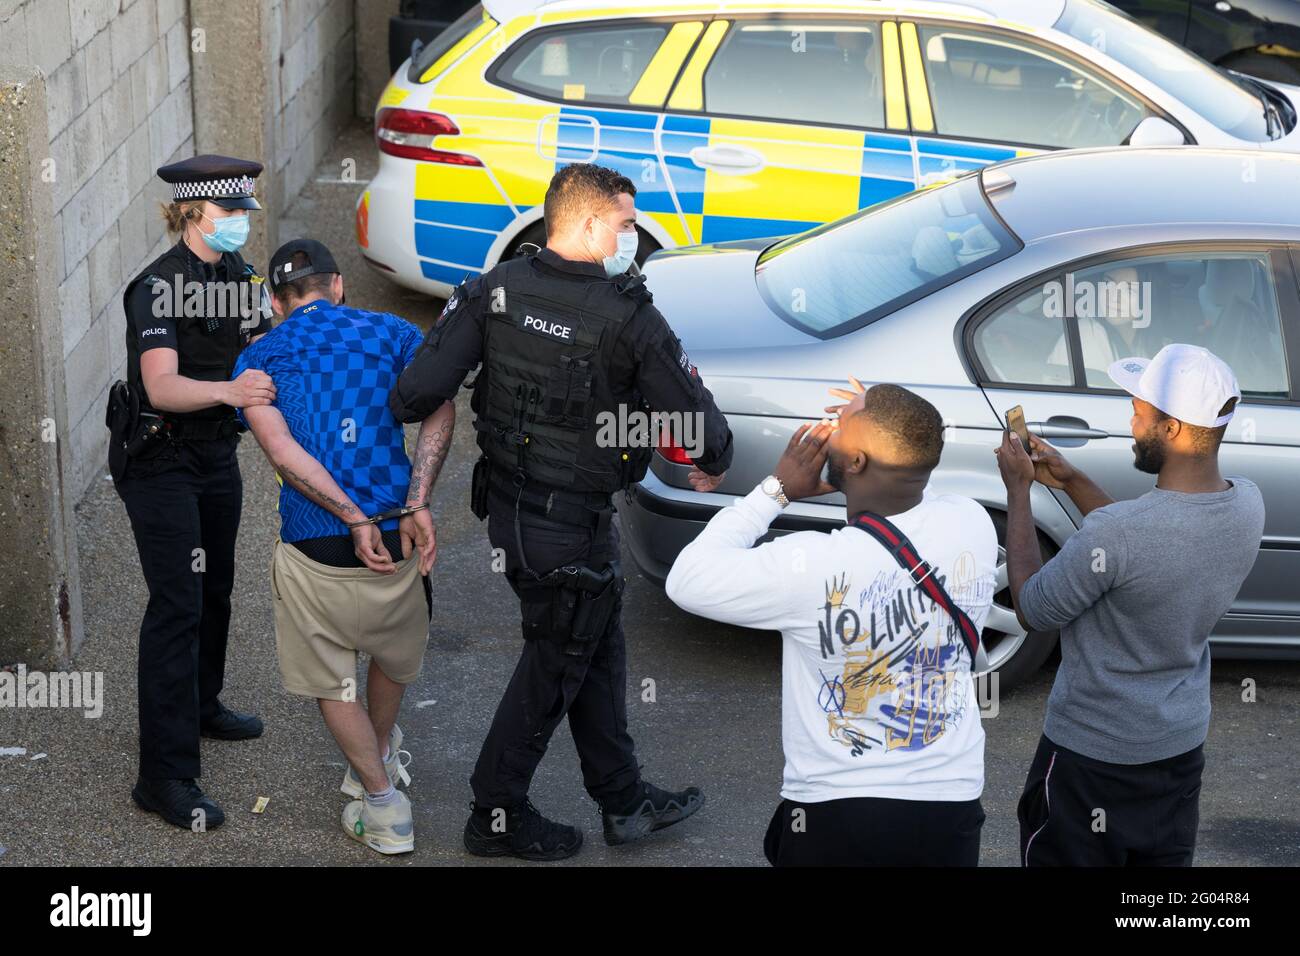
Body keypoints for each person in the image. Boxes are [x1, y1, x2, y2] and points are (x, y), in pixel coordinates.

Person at [389, 162, 734, 861]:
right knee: (556, 663)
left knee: (594, 648)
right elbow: (709, 440)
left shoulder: (492, 291)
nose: (632, 236)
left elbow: (414, 395)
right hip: (568, 526)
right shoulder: (630, 317)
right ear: (583, 223)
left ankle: (624, 799)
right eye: (624, 223)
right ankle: (495, 811)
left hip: (512, 514)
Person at [667, 383, 997, 866]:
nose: (827, 429)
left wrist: (775, 490)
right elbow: (911, 452)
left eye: (838, 427)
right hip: (950, 808)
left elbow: (686, 579)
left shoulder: (811, 565)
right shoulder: (972, 522)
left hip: (837, 813)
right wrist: (879, 415)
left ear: (858, 461)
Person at [994, 343, 1265, 866]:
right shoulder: (1246, 503)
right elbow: (1146, 543)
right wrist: (1071, 480)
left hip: (1090, 760)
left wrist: (1021, 492)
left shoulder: (1121, 534)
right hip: (1178, 754)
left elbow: (1032, 608)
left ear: (1173, 430)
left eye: (1140, 413)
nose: (1131, 422)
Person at [234, 239, 452, 855]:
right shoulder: (395, 332)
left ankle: (382, 804)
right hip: (398, 527)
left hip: (315, 542)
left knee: (334, 679)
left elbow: (282, 452)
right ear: (337, 286)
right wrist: (417, 499)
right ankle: (376, 758)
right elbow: (439, 407)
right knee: (390, 654)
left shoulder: (259, 357)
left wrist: (349, 517)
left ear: (278, 302)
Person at [110, 155, 274, 830]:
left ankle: (202, 704)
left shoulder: (238, 274)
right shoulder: (157, 286)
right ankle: (164, 775)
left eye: (245, 212)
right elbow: (161, 387)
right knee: (177, 605)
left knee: (216, 588)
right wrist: (231, 392)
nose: (241, 223)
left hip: (213, 453)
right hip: (159, 459)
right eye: (231, 213)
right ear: (194, 213)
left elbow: (263, 339)